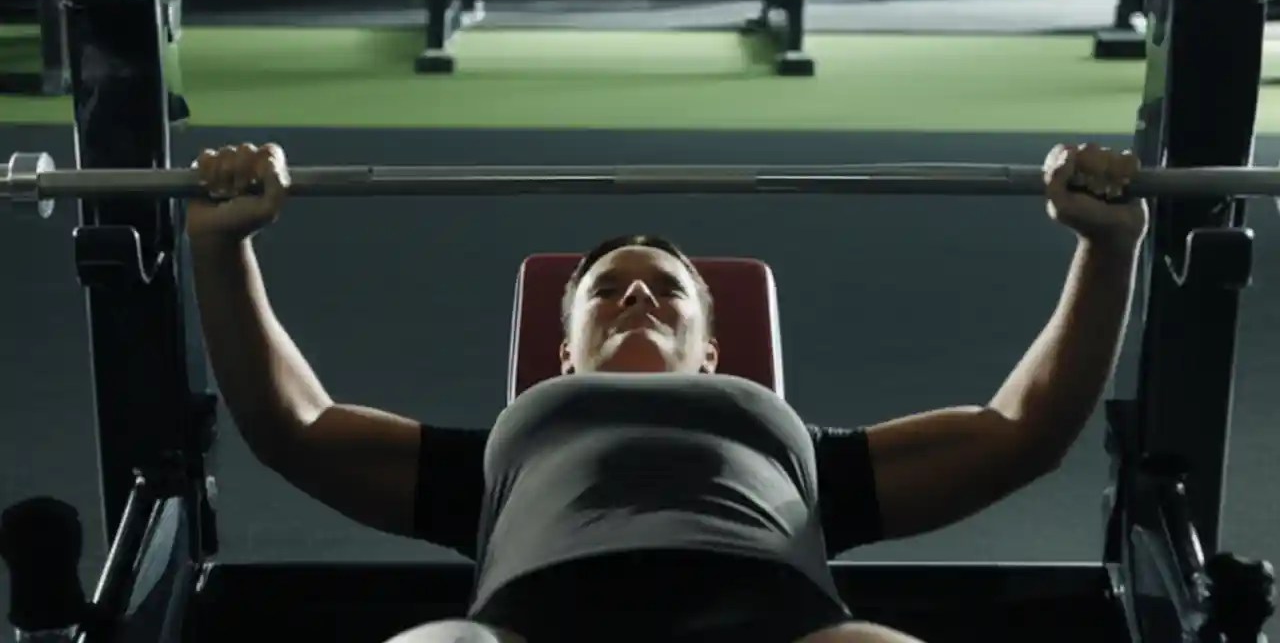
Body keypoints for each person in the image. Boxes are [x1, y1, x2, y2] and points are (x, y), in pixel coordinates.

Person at [187, 142, 1148, 643]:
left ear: (714, 352)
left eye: (667, 289)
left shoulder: (791, 448)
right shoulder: (506, 454)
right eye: (607, 289)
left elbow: (1022, 431)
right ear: (563, 357)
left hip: (778, 621)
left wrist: (1108, 248)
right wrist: (223, 246)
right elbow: (294, 426)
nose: (638, 295)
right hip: (532, 620)